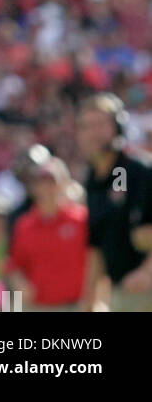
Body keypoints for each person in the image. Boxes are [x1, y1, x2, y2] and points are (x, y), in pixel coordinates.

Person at [78, 93, 152, 311]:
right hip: (122, 292)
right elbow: (97, 246)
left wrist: (147, 272)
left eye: (101, 124)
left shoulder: (140, 171)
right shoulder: (93, 179)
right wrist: (89, 300)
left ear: (118, 126)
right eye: (86, 126)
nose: (94, 133)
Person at [4, 157, 87, 312]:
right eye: (41, 182)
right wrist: (20, 283)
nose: (46, 188)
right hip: (37, 306)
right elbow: (14, 264)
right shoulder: (24, 225)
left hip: (75, 306)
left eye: (52, 181)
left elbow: (96, 258)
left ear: (63, 184)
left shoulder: (81, 220)